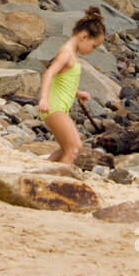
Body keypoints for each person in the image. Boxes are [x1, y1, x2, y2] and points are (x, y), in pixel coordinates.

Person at [37, 8, 106, 164]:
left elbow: (64, 82)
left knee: (71, 146)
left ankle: (45, 169)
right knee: (73, 150)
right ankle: (59, 180)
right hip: (53, 107)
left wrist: (78, 93)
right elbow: (49, 74)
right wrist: (44, 99)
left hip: (59, 107)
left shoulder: (73, 54)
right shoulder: (66, 53)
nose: (92, 50)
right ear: (83, 37)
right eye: (94, 46)